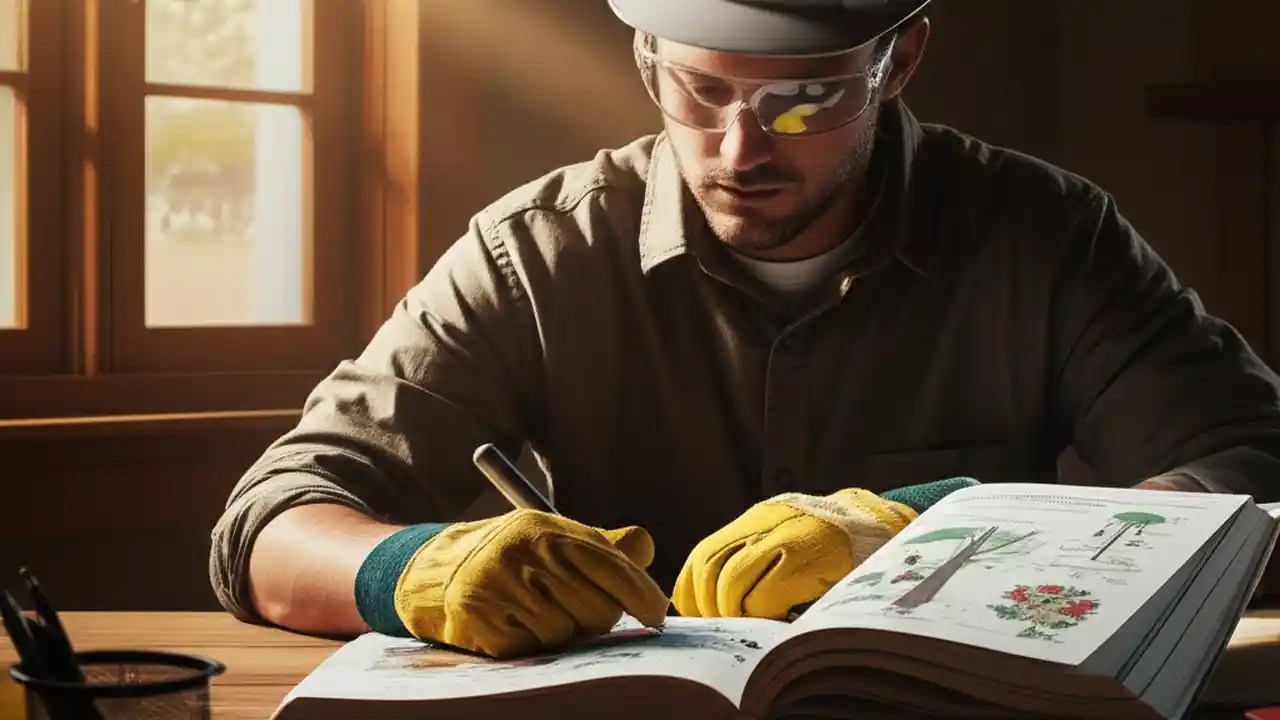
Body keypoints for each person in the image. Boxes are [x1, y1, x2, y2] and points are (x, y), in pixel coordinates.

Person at [209, 0, 1280, 659]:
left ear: (895, 61)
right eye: (699, 89)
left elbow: (1255, 466)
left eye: (805, 102)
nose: (737, 149)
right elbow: (270, 523)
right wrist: (411, 572)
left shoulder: (1044, 237)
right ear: (644, 59)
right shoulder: (537, 251)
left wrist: (938, 527)